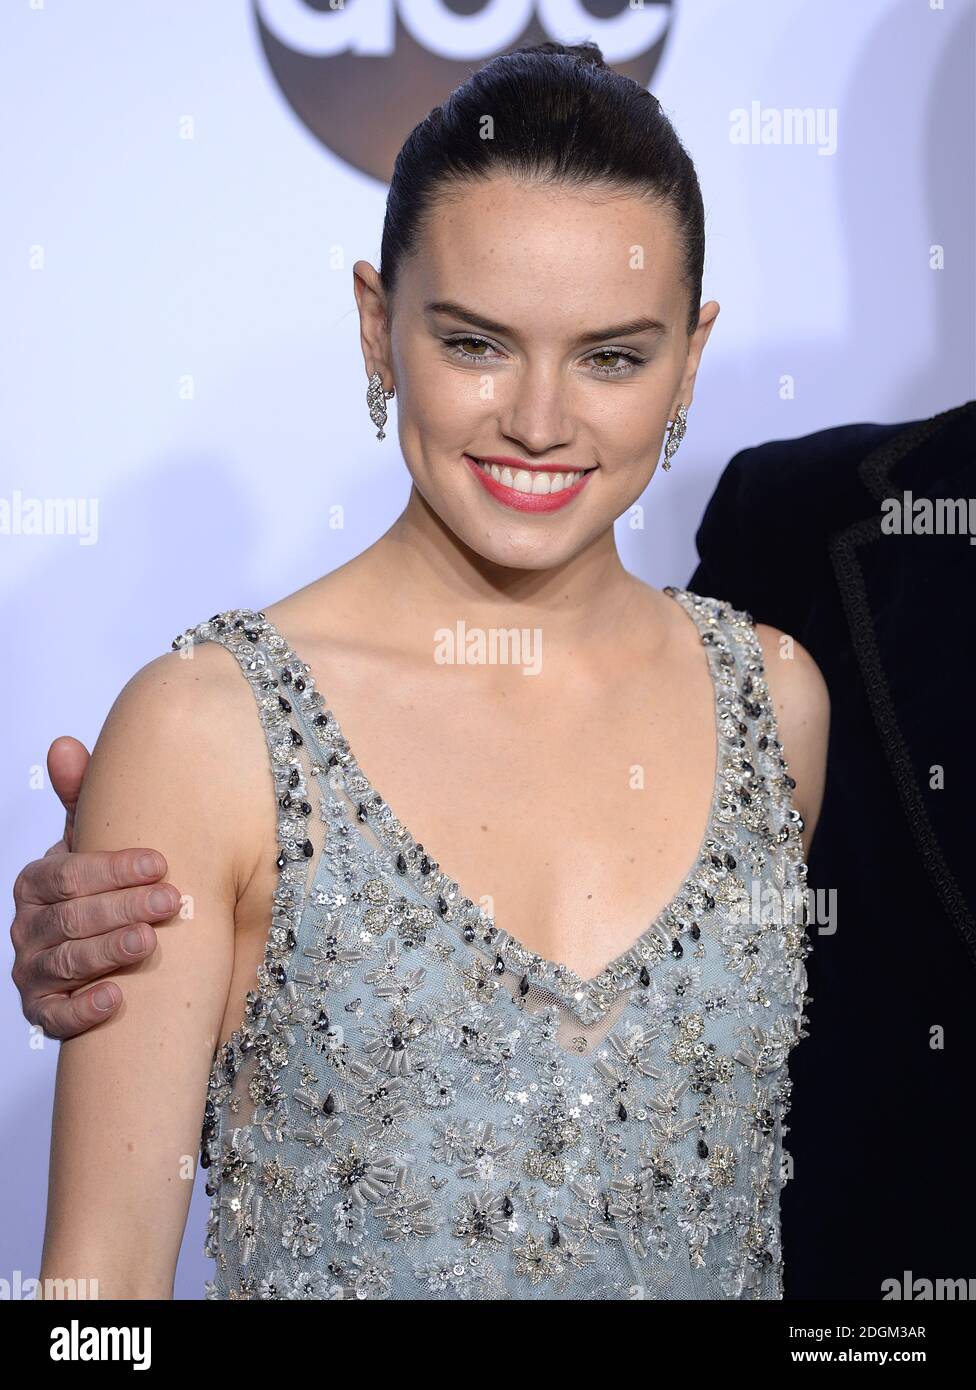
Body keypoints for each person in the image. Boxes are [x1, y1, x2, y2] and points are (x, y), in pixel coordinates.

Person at [19, 41, 829, 1301]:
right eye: (476, 344)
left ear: (691, 352)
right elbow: (92, 1301)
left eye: (613, 356)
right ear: (376, 325)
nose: (541, 420)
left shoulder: (776, 701)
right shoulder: (207, 729)